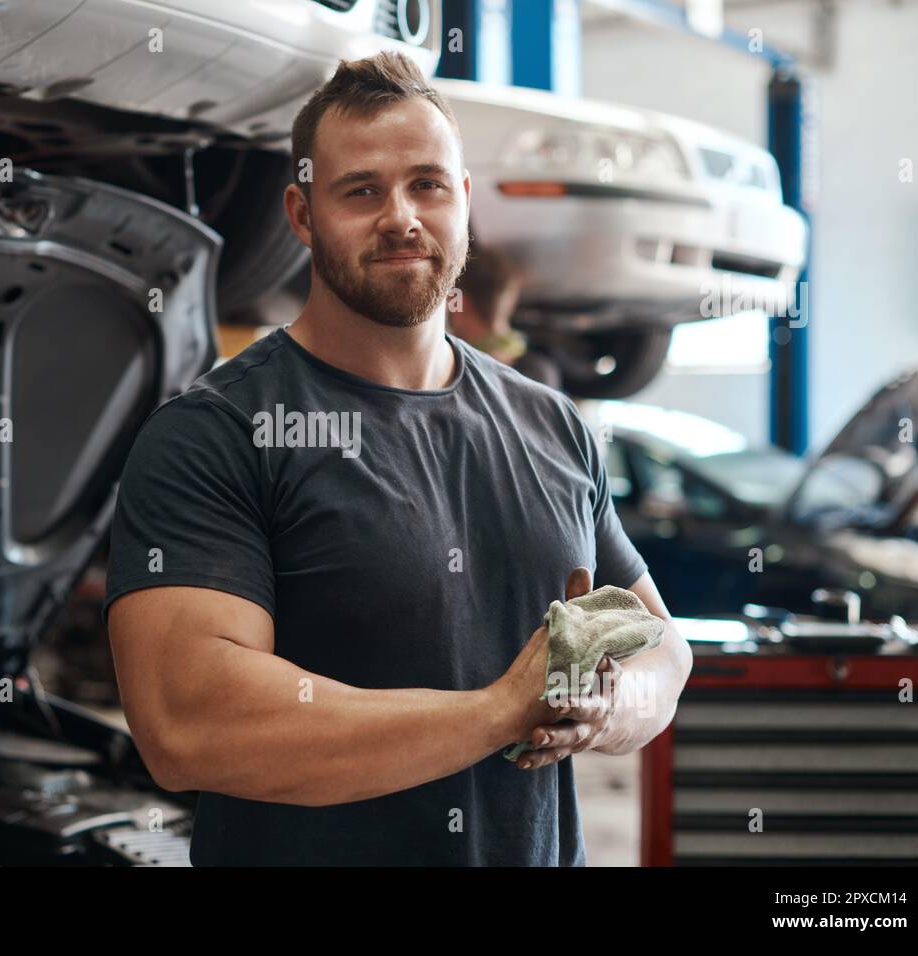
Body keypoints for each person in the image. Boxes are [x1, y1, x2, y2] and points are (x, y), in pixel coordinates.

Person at [103, 50, 692, 866]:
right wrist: (500, 710)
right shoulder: (216, 435)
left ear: (463, 203)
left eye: (428, 184)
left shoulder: (550, 426)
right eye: (361, 191)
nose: (402, 217)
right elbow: (189, 723)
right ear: (301, 215)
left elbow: (663, 645)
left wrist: (606, 704)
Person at [449, 242, 563, 389]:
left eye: (452, 301)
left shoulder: (457, 374)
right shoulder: (542, 372)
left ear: (462, 303)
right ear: (509, 301)